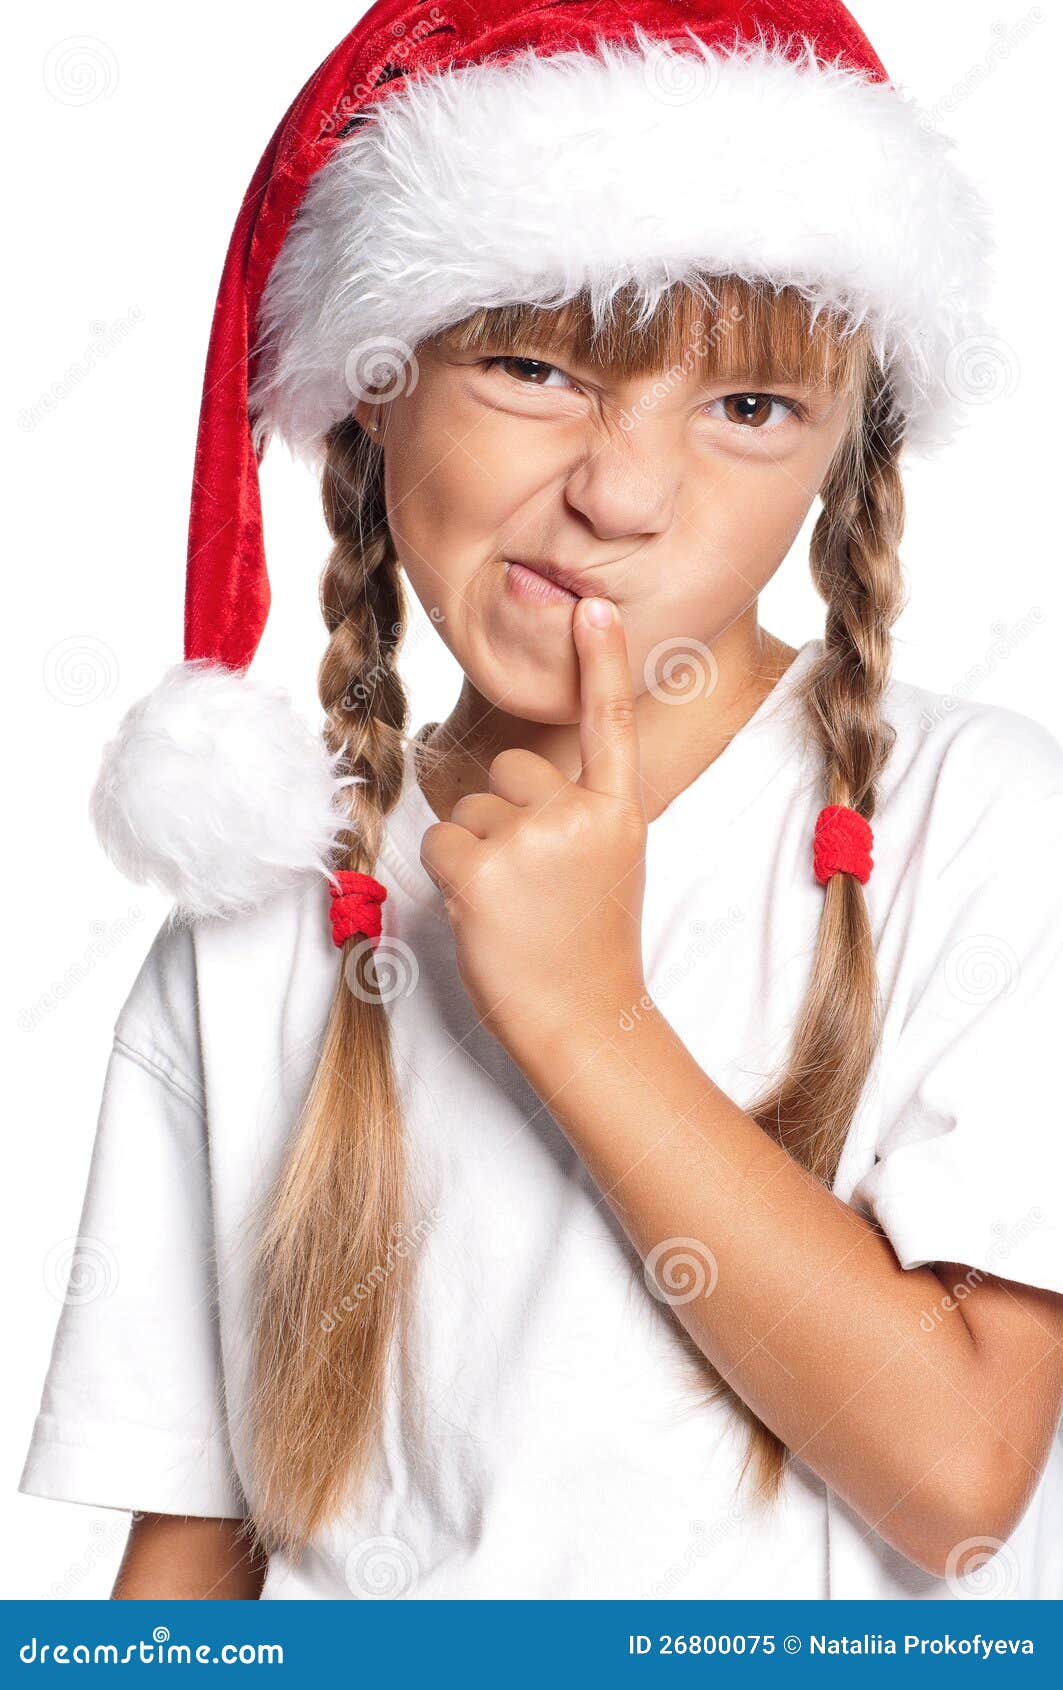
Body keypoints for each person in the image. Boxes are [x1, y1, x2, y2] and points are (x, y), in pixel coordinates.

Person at [19, 0, 1063, 1601]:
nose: (622, 496)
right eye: (532, 368)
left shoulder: (978, 821)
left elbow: (962, 1481)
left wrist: (587, 1015)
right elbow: (191, 1564)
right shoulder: (262, 906)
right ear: (377, 382)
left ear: (843, 452)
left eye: (750, 407)